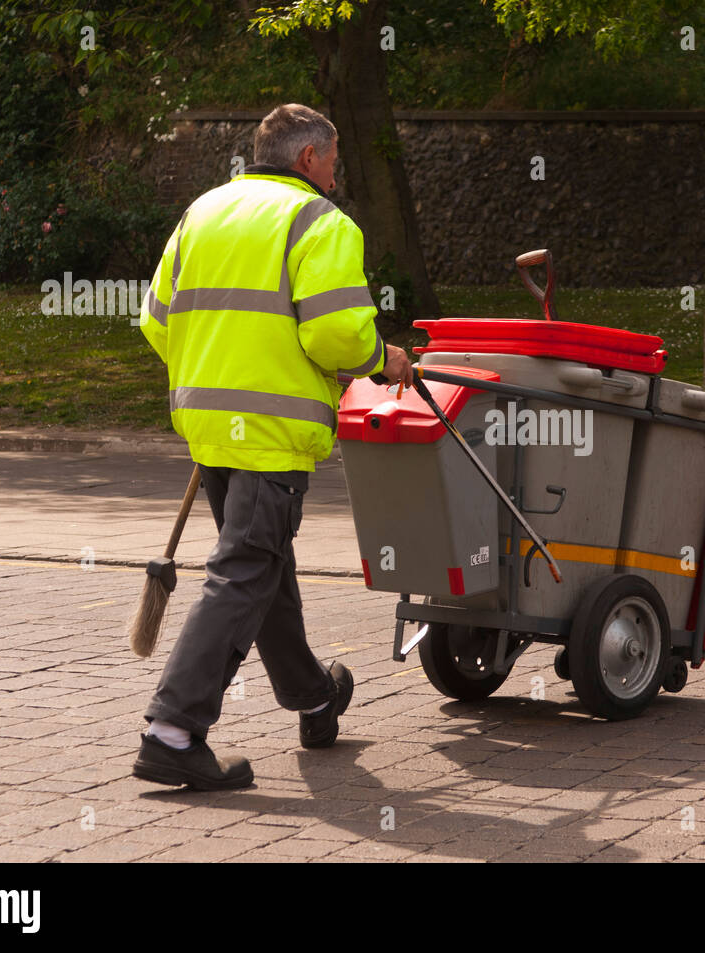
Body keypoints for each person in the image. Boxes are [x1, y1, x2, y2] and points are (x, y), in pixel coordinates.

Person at [130, 103, 415, 790]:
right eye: (335, 156)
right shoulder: (319, 223)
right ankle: (172, 730)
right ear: (308, 159)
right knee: (244, 574)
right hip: (271, 432)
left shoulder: (203, 213)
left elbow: (156, 319)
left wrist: (217, 380)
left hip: (210, 424)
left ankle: (314, 697)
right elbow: (335, 335)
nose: (338, 170)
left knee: (262, 568)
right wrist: (385, 357)